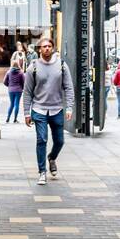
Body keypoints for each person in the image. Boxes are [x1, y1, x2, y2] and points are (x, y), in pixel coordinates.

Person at [22, 36, 75, 185]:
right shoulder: (33, 67)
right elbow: (27, 92)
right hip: (39, 110)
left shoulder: (62, 66)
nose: (46, 49)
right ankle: (42, 172)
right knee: (42, 140)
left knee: (59, 141)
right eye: (43, 46)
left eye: (49, 46)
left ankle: (52, 158)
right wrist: (27, 112)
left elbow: (69, 88)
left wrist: (69, 107)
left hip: (57, 109)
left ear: (52, 48)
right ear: (39, 49)